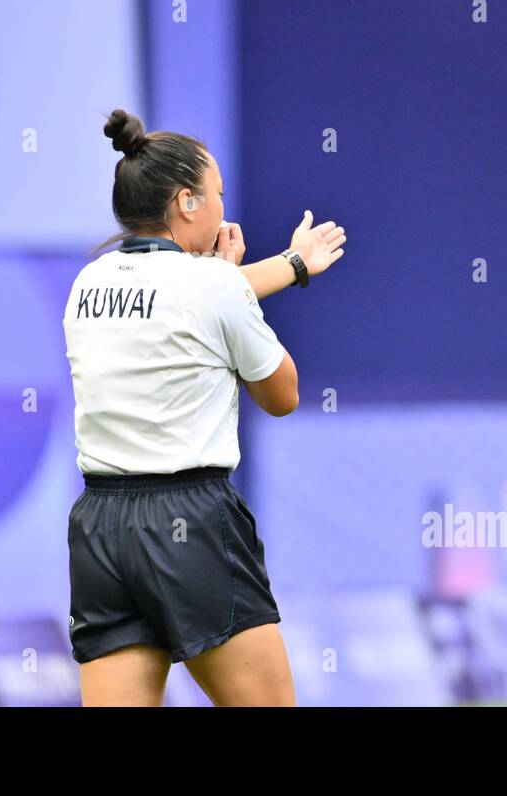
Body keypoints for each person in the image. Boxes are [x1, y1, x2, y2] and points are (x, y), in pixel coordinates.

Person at [63, 108, 346, 706]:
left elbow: (192, 296)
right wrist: (251, 292)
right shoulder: (213, 287)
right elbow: (283, 395)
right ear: (187, 203)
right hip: (188, 521)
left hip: (100, 529)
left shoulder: (88, 283)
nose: (222, 206)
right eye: (217, 193)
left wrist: (290, 266)